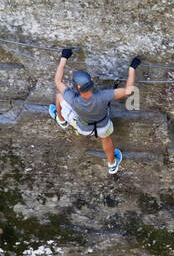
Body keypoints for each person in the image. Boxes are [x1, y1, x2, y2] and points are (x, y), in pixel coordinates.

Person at [50, 47, 138, 175]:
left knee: (59, 96)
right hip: (103, 125)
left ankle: (61, 120)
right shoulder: (102, 96)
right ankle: (112, 164)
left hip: (83, 127)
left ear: (77, 87)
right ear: (91, 81)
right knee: (106, 139)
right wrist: (132, 68)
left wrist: (64, 58)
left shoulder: (73, 98)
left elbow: (58, 81)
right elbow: (128, 90)